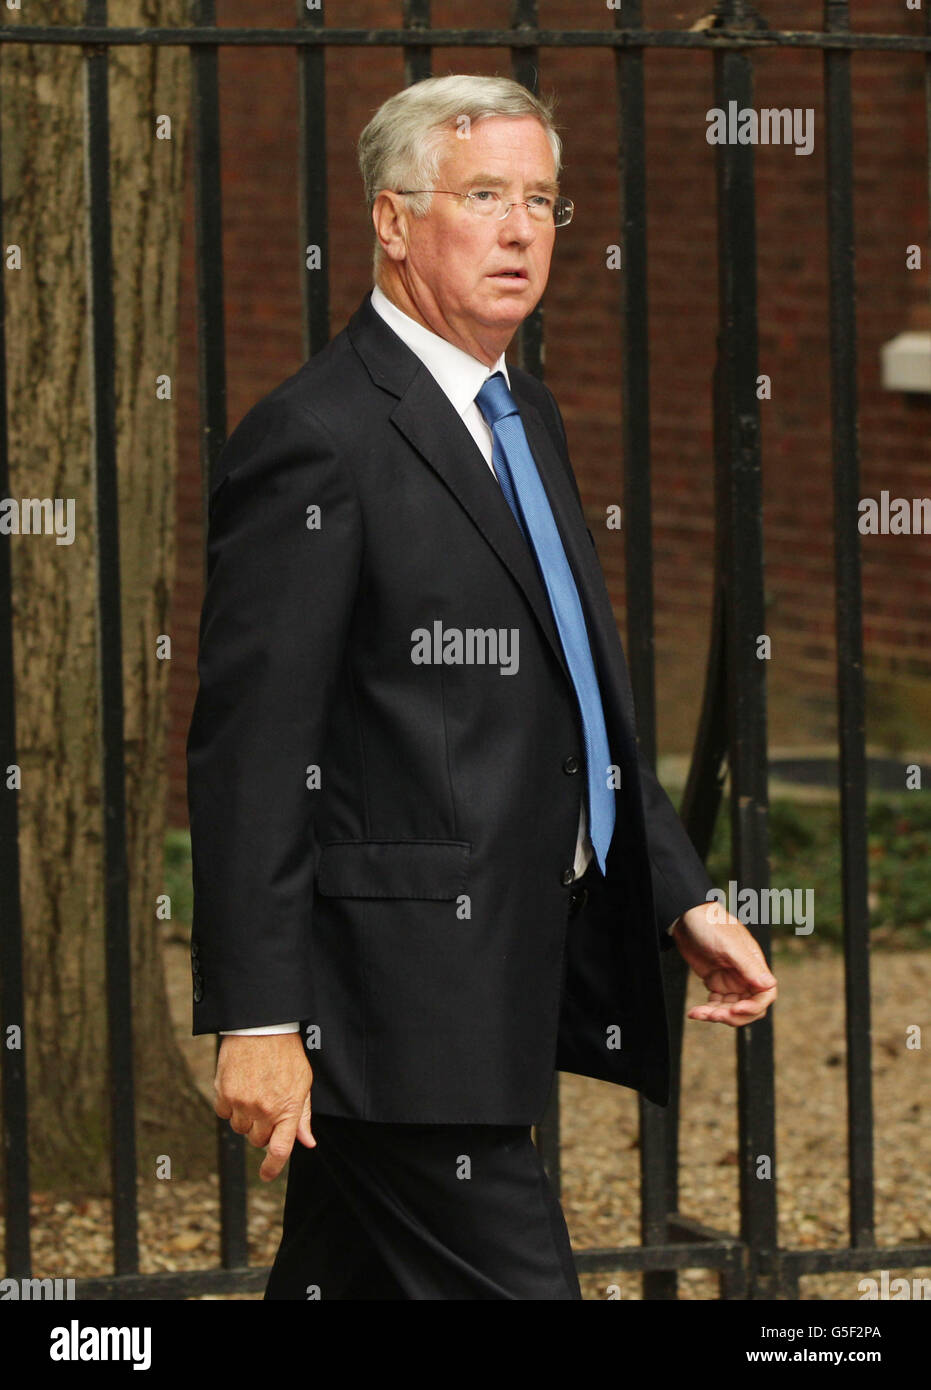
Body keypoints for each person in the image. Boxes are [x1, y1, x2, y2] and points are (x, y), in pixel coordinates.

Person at [186, 73, 778, 1301]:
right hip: (395, 1012)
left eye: (543, 202)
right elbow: (252, 744)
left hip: (494, 978)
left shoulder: (519, 413)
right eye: (484, 196)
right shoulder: (318, 438)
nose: (521, 230)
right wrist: (254, 1015)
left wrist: (676, 893)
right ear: (393, 222)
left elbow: (577, 694)